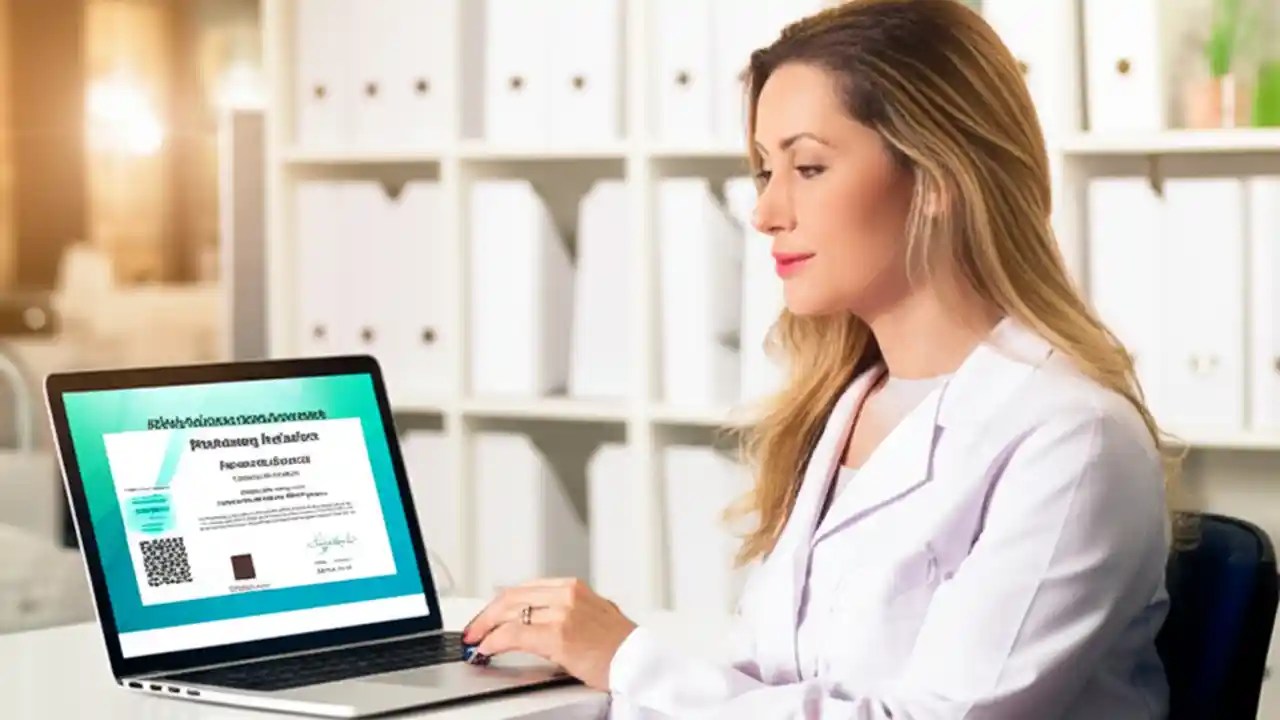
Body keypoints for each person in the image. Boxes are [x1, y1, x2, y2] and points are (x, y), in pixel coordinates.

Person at [461, 1, 1179, 717]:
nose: (767, 212)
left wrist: (628, 659)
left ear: (936, 177)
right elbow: (767, 685)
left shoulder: (1074, 439)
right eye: (764, 171)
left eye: (807, 166)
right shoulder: (848, 404)